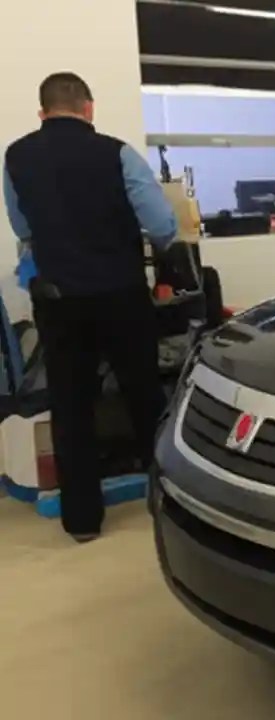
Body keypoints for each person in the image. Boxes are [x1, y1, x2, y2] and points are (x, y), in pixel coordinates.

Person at [3, 72, 177, 543]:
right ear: (89, 108)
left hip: (58, 301)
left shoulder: (16, 157)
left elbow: (23, 227)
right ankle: (168, 505)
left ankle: (82, 522)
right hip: (120, 294)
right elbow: (162, 224)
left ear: (42, 113)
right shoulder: (117, 152)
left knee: (71, 406)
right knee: (145, 396)